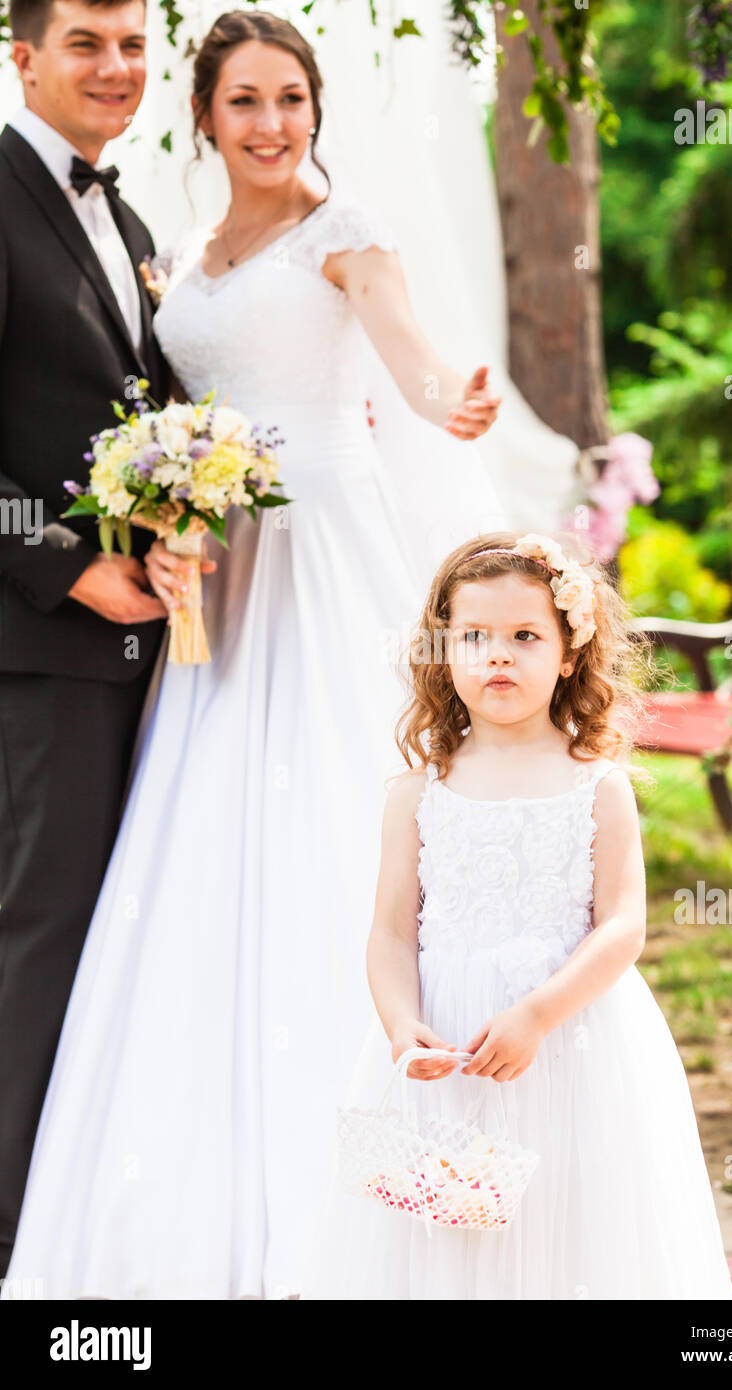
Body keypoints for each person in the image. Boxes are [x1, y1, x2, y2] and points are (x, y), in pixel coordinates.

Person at [1, 10, 505, 1300]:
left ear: (315, 110)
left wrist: (452, 392)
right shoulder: (186, 256)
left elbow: (407, 350)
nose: (271, 123)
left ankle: (401, 1197)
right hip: (201, 606)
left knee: (348, 848)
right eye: (243, 102)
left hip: (320, 565)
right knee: (185, 867)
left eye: (291, 99)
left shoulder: (335, 234)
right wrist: (109, 541)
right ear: (208, 118)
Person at [308, 531, 732, 1299]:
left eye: (524, 637)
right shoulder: (417, 791)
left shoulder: (597, 786)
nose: (496, 656)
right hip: (449, 1043)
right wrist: (403, 1027)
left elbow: (622, 927)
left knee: (567, 1218)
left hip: (570, 1039)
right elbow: (391, 931)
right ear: (444, 651)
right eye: (474, 637)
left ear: (570, 653)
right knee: (447, 1220)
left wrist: (538, 1015)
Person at [0, 0, 171, 1281]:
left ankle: (90, 1228)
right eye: (86, 46)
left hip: (155, 658)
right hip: (36, 651)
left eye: (132, 45)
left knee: (123, 942)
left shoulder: (137, 222)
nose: (116, 69)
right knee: (41, 938)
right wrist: (66, 570)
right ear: (24, 60)